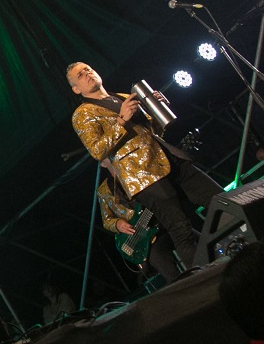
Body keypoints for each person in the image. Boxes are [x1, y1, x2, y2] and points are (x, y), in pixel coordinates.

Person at [66, 62, 221, 270]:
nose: (87, 73)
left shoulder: (121, 96)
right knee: (180, 228)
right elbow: (96, 150)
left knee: (221, 200)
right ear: (76, 89)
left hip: (168, 159)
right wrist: (121, 121)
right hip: (143, 177)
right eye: (80, 75)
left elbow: (150, 132)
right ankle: (207, 280)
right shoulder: (82, 114)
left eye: (88, 69)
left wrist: (158, 109)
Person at [96, 159, 180, 281]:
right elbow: (106, 220)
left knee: (203, 247)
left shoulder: (137, 169)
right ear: (103, 164)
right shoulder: (104, 190)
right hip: (145, 239)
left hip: (165, 222)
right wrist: (117, 224)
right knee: (171, 274)